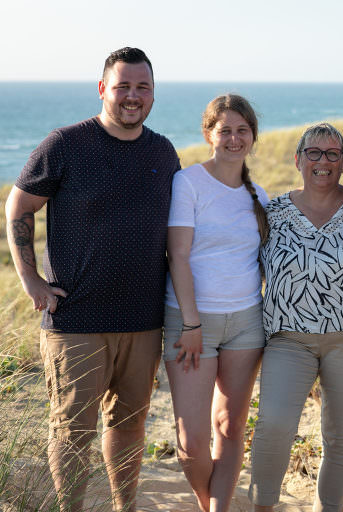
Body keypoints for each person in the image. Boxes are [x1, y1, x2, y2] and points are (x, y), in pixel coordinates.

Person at [4, 48, 179, 512]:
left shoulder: (162, 151)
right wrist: (30, 279)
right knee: (72, 429)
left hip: (144, 320)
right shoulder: (65, 144)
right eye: (123, 86)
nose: (132, 96)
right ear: (103, 89)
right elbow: (18, 207)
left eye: (142, 87)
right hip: (75, 319)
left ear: (153, 93)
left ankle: (125, 507)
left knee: (129, 425)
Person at [249, 123, 343, 512]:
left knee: (341, 436)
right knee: (274, 426)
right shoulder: (272, 213)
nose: (323, 162)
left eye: (333, 154)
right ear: (298, 159)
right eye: (314, 153)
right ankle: (262, 506)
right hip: (288, 339)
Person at [164, 94, 269, 512]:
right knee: (192, 440)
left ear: (252, 137)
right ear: (209, 133)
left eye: (242, 130)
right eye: (224, 129)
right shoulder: (187, 182)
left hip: (246, 321)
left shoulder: (257, 194)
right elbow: (180, 255)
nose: (233, 138)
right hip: (191, 323)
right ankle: (207, 500)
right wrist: (191, 324)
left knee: (230, 425)